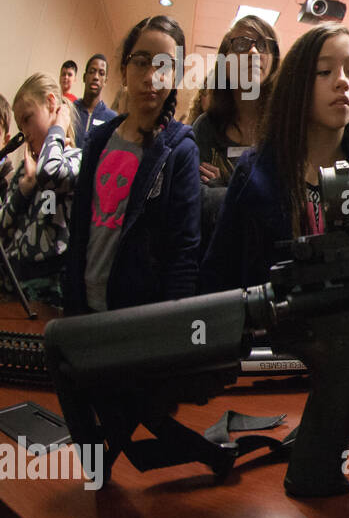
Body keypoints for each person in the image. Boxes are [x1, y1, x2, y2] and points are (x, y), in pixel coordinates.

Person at [200, 24, 349, 291]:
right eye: (324, 71)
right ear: (296, 83)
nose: (342, 81)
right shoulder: (254, 174)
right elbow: (219, 275)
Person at [64, 16, 200, 313]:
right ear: (124, 71)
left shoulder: (180, 151)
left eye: (164, 65)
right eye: (141, 61)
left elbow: (183, 254)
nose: (151, 75)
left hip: (138, 321)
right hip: (83, 309)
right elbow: (78, 231)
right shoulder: (99, 139)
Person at [191, 16, 281, 248]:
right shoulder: (205, 127)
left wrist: (223, 185)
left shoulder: (284, 128)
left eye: (263, 45)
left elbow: (286, 202)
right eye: (241, 44)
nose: (253, 52)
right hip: (216, 255)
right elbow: (195, 202)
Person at [0, 74, 80, 304]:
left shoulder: (74, 160)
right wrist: (23, 190)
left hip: (47, 296)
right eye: (20, 125)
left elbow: (51, 174)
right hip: (13, 291)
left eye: (27, 119)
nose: (24, 132)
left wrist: (57, 129)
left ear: (51, 104)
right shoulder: (27, 172)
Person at [70, 53, 115, 145]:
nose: (96, 77)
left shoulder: (111, 120)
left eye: (101, 73)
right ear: (84, 77)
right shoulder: (70, 110)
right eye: (92, 71)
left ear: (105, 81)